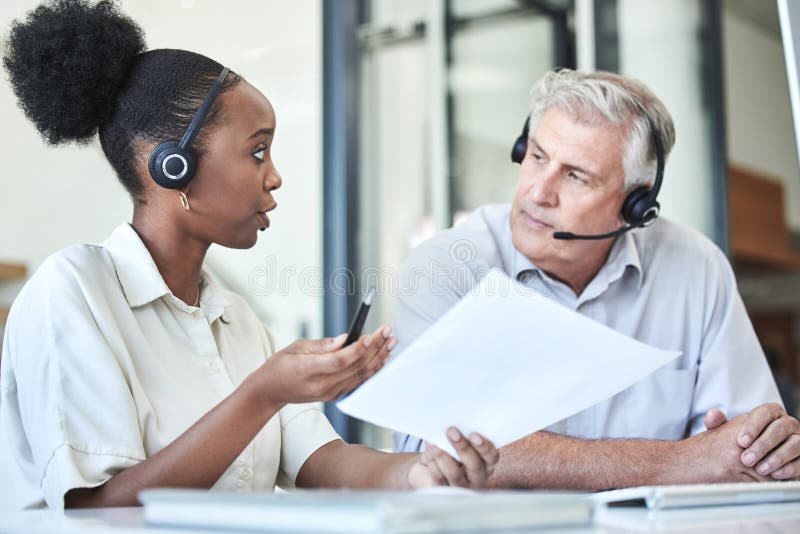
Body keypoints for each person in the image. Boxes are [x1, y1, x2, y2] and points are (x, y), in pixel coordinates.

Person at [0, 0, 498, 511]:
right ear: (172, 166)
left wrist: (425, 471)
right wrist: (263, 393)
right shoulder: (72, 292)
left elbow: (323, 463)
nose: (274, 175)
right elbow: (100, 509)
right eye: (257, 152)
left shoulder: (236, 319)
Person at [392, 69, 800, 488]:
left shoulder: (696, 268)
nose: (538, 192)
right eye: (536, 156)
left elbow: (746, 452)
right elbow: (432, 451)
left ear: (635, 205)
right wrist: (677, 461)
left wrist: (767, 447)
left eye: (575, 176)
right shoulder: (445, 267)